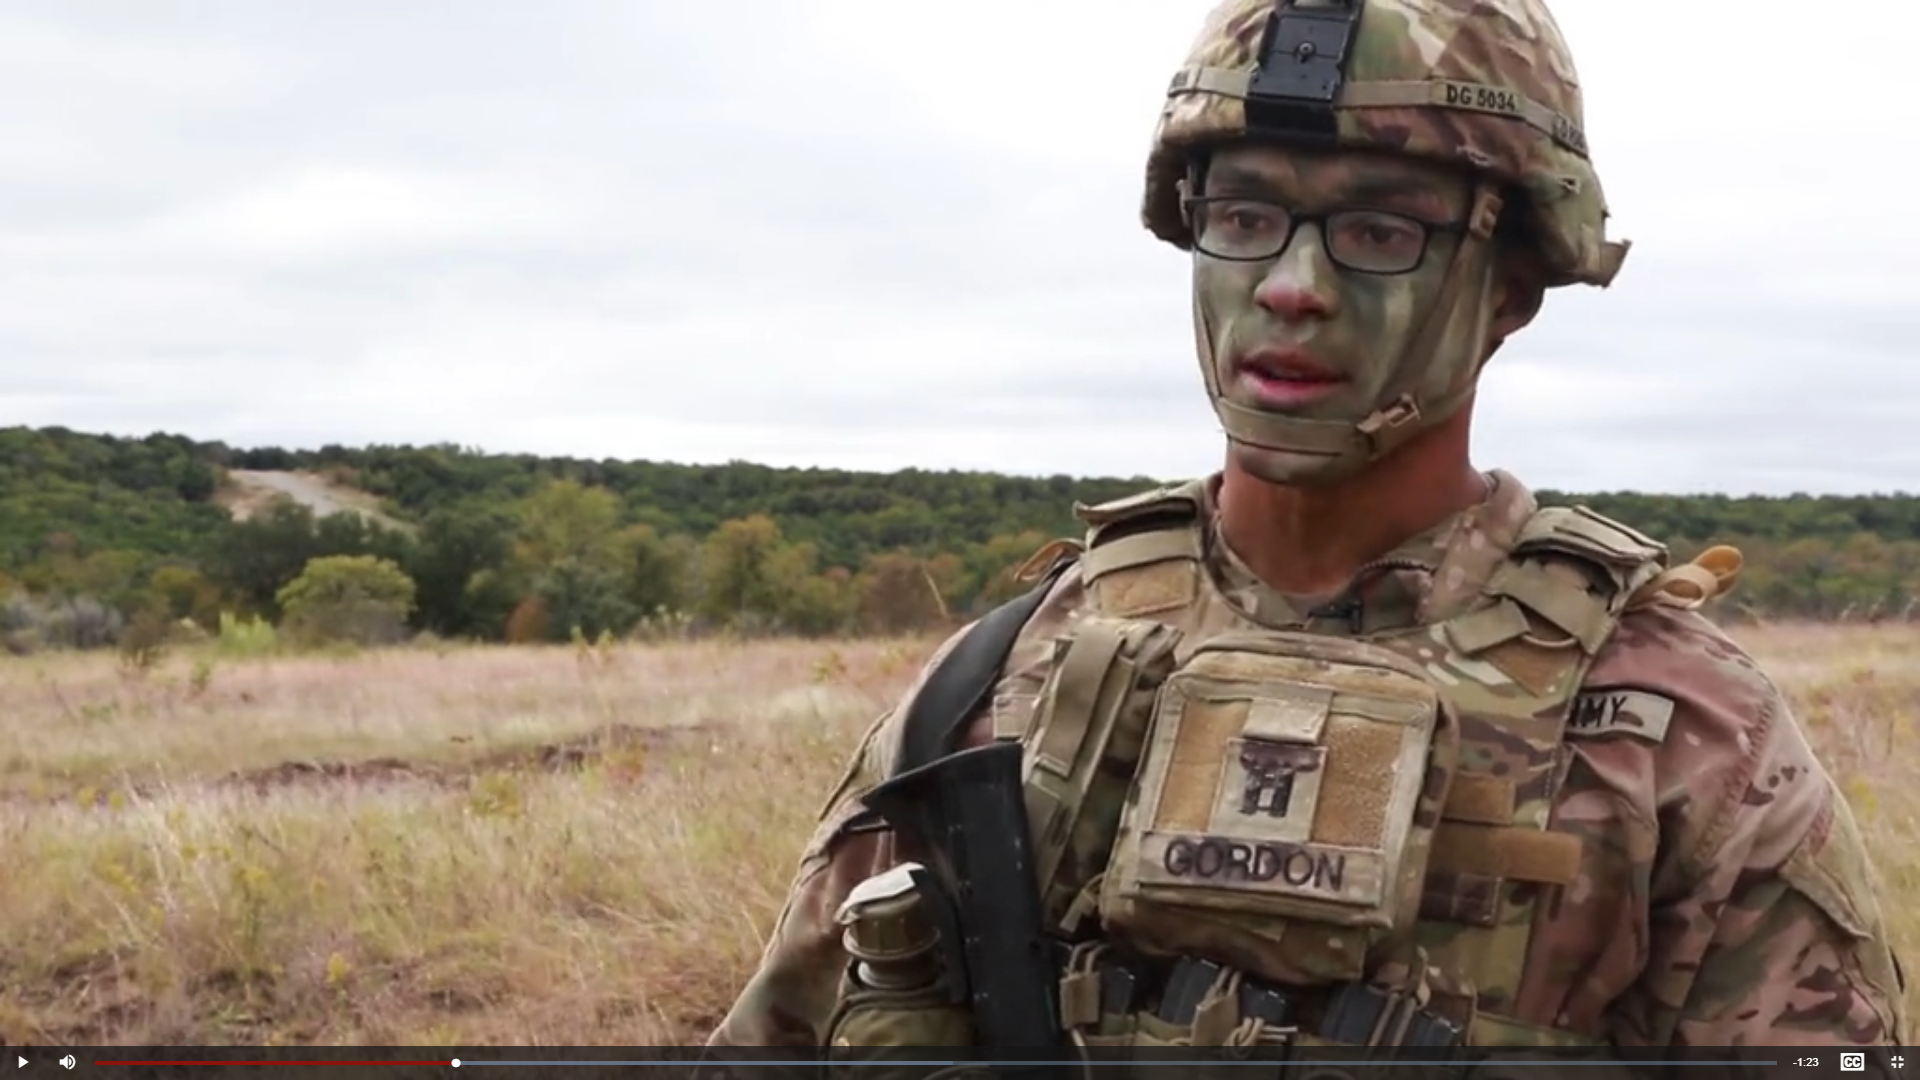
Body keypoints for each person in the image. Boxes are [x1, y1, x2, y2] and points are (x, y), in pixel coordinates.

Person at [705, 0, 1907, 1054]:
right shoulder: (996, 681)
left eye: (1380, 231)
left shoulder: (1680, 734)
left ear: (1512, 290)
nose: (1291, 284)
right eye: (1245, 216)